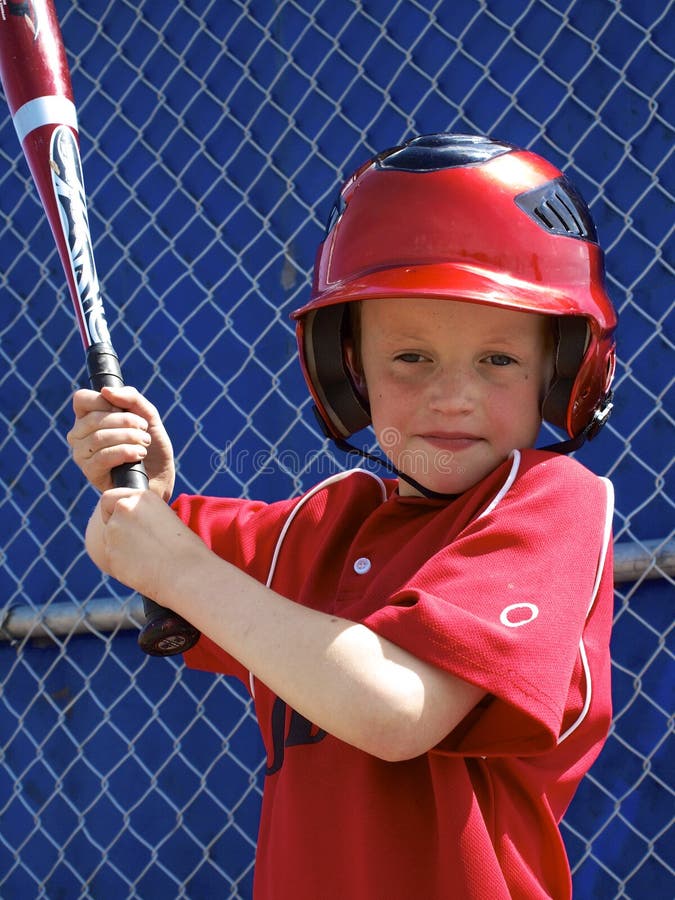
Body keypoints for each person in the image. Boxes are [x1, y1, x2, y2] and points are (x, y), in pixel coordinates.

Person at [68, 133, 618, 899]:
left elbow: (394, 709)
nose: (450, 396)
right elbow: (143, 545)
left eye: (497, 360)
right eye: (409, 358)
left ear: (561, 377)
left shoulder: (550, 504)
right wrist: (143, 490)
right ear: (348, 372)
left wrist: (177, 565)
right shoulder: (317, 525)